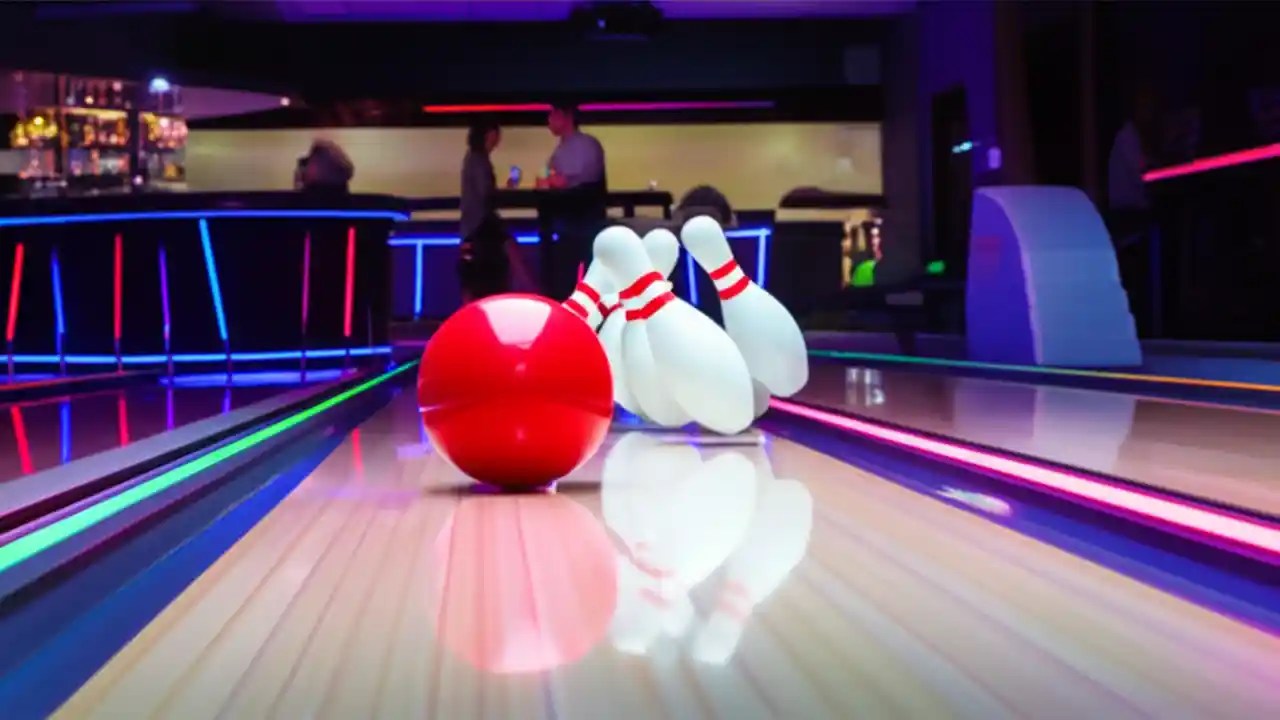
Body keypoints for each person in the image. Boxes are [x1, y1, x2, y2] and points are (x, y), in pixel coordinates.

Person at [457, 117, 534, 302]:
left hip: (475, 227)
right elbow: (486, 194)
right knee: (512, 253)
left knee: (474, 278)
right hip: (481, 226)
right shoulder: (478, 160)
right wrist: (506, 191)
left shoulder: (474, 158)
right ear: (490, 134)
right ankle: (535, 295)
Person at [541, 103, 608, 299]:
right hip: (566, 227)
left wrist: (557, 181)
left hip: (584, 225)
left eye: (552, 115)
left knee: (585, 281)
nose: (549, 121)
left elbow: (572, 181)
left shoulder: (585, 145)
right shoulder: (560, 150)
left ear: (566, 116)